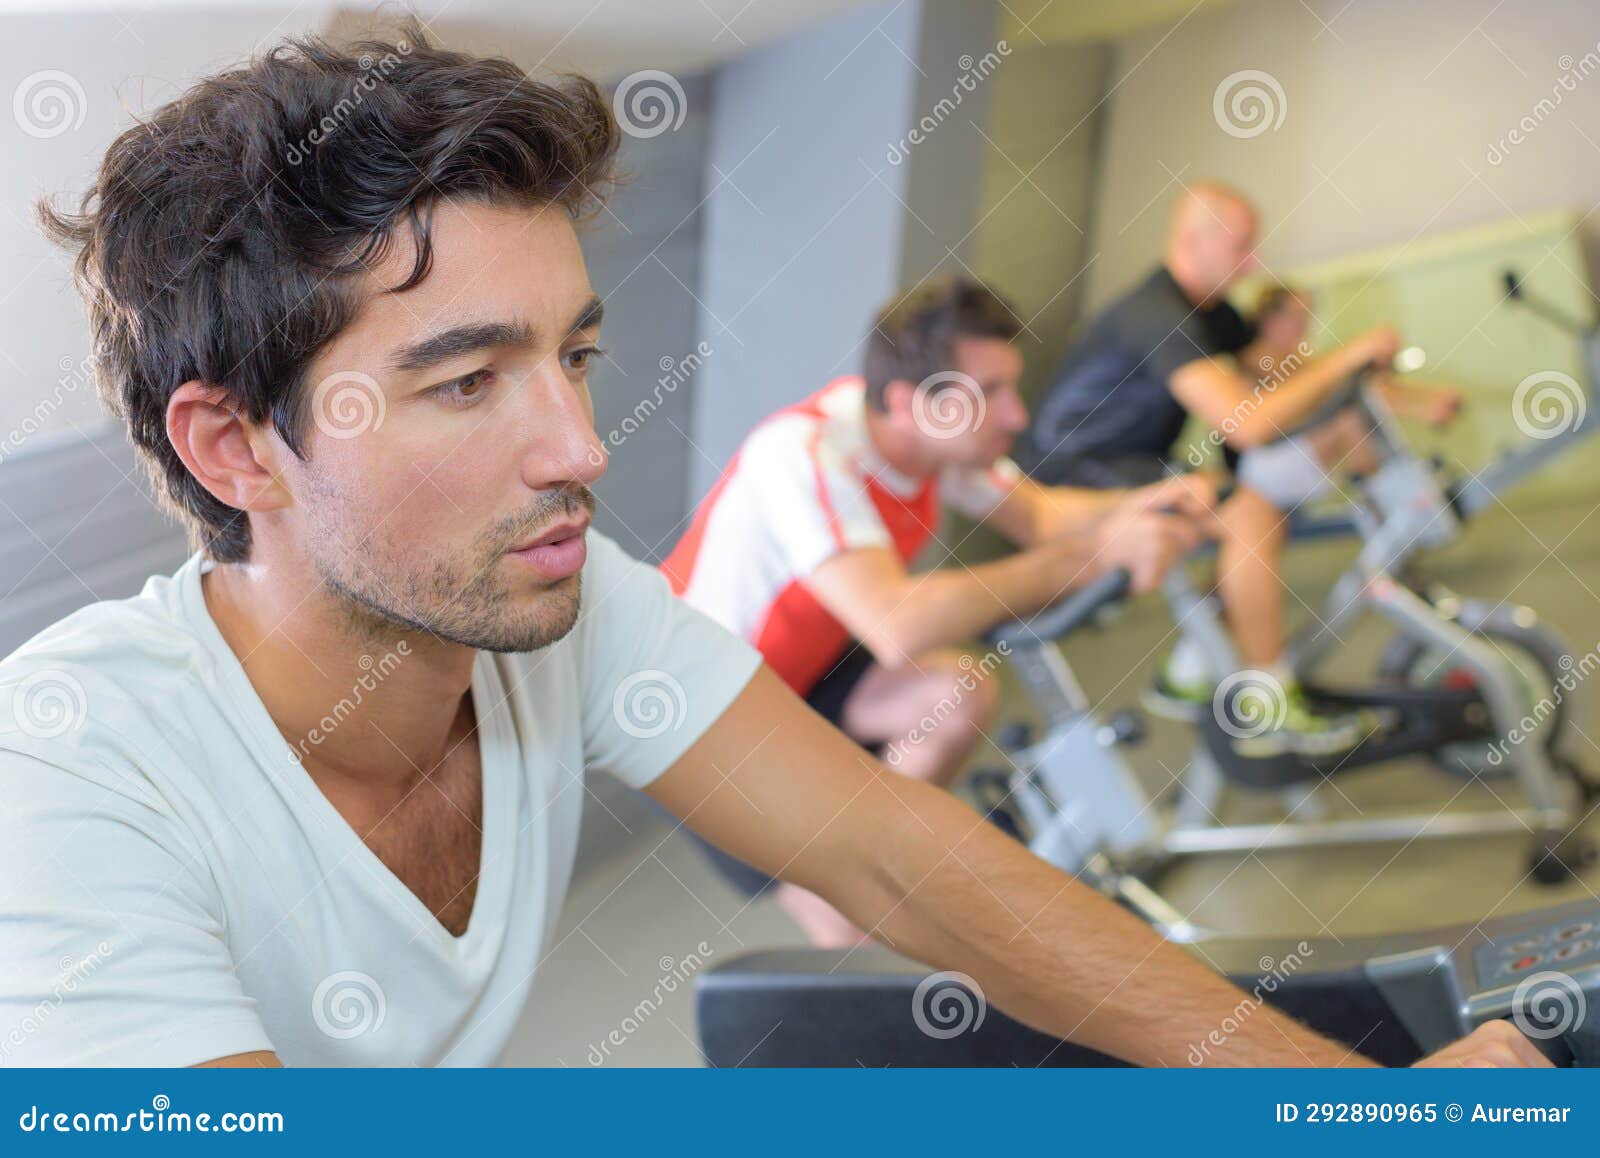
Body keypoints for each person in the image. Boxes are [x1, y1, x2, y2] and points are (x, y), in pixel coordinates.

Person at [0, 28, 1538, 1070]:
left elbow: (895, 849)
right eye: (466, 382)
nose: (581, 449)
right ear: (235, 446)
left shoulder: (558, 602)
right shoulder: (70, 771)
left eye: (576, 357)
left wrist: (1349, 1107)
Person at [663, 275, 1215, 945]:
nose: (1016, 416)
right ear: (908, 400)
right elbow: (897, 624)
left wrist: (1155, 503)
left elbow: (1040, 515)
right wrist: (1098, 557)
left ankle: (876, 854)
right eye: (989, 395)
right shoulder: (801, 455)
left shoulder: (931, 442)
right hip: (706, 714)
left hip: (812, 667)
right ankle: (851, 890)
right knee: (851, 925)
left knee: (955, 694)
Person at [1020, 182, 1447, 754]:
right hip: (1073, 479)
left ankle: (1192, 665)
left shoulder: (1212, 313)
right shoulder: (1155, 314)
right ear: (1193, 240)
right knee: (1249, 513)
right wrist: (1351, 354)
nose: (1254, 263)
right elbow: (1246, 423)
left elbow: (1293, 374)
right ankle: (1269, 699)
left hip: (1134, 465)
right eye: (1241, 247)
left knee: (1246, 506)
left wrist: (1411, 396)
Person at [1232, 284, 1462, 514]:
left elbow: (1364, 388)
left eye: (1308, 315)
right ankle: (1394, 498)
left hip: (1300, 454)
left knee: (1352, 400)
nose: (1304, 325)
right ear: (1270, 320)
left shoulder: (1299, 361)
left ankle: (1395, 489)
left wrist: (1426, 395)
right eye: (1297, 316)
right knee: (1347, 419)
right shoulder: (1254, 360)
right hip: (1266, 468)